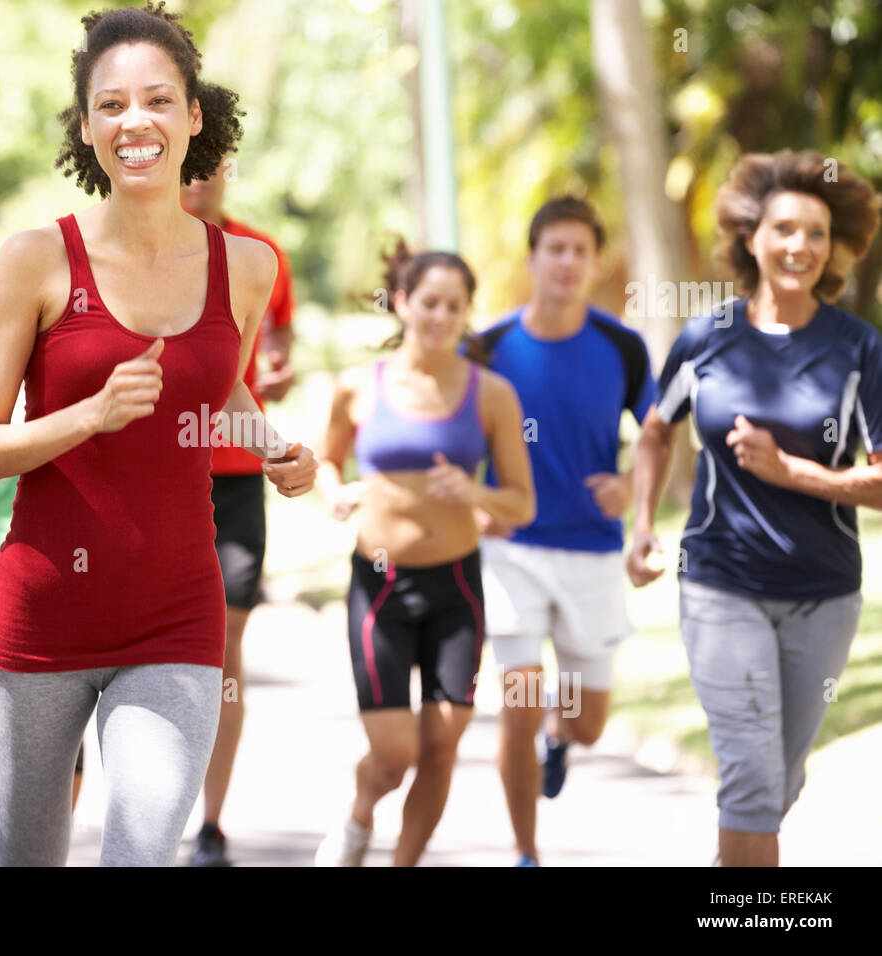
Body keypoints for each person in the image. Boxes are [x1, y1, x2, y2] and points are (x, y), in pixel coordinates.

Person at [0, 1, 317, 867]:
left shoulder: (248, 266)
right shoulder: (35, 261)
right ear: (85, 129)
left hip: (174, 614)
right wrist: (89, 414)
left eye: (158, 100)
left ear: (196, 117)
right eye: (112, 105)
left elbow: (221, 387)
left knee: (140, 853)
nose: (137, 122)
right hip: (41, 616)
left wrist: (276, 448)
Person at [627, 149, 882, 867]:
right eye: (785, 229)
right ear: (752, 237)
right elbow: (654, 432)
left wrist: (793, 471)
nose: (800, 246)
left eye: (817, 233)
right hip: (720, 584)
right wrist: (643, 527)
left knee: (778, 784)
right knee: (751, 784)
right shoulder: (707, 338)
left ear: (834, 248)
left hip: (824, 594)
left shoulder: (858, 349)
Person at [313, 241, 533, 866]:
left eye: (454, 306)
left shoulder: (492, 394)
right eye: (429, 302)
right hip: (379, 584)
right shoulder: (357, 386)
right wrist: (334, 493)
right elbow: (327, 458)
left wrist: (475, 490)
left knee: (440, 747)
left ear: (467, 313)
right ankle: (360, 816)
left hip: (457, 590)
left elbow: (522, 503)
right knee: (394, 753)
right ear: (404, 303)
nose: (440, 317)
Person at [473, 196, 655, 867]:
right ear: (533, 259)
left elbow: (660, 433)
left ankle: (562, 730)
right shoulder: (487, 348)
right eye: (556, 248)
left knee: (588, 721)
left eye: (581, 250)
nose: (569, 262)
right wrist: (473, 507)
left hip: (593, 554)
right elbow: (451, 432)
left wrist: (633, 488)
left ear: (595, 261)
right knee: (516, 704)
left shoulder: (622, 347)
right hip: (510, 552)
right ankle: (525, 853)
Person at [179, 156, 297, 866]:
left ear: (227, 169)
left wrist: (278, 375)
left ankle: (211, 824)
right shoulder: (145, 251)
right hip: (163, 472)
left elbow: (273, 352)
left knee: (224, 648)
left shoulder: (260, 256)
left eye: (209, 167)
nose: (197, 180)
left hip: (236, 477)